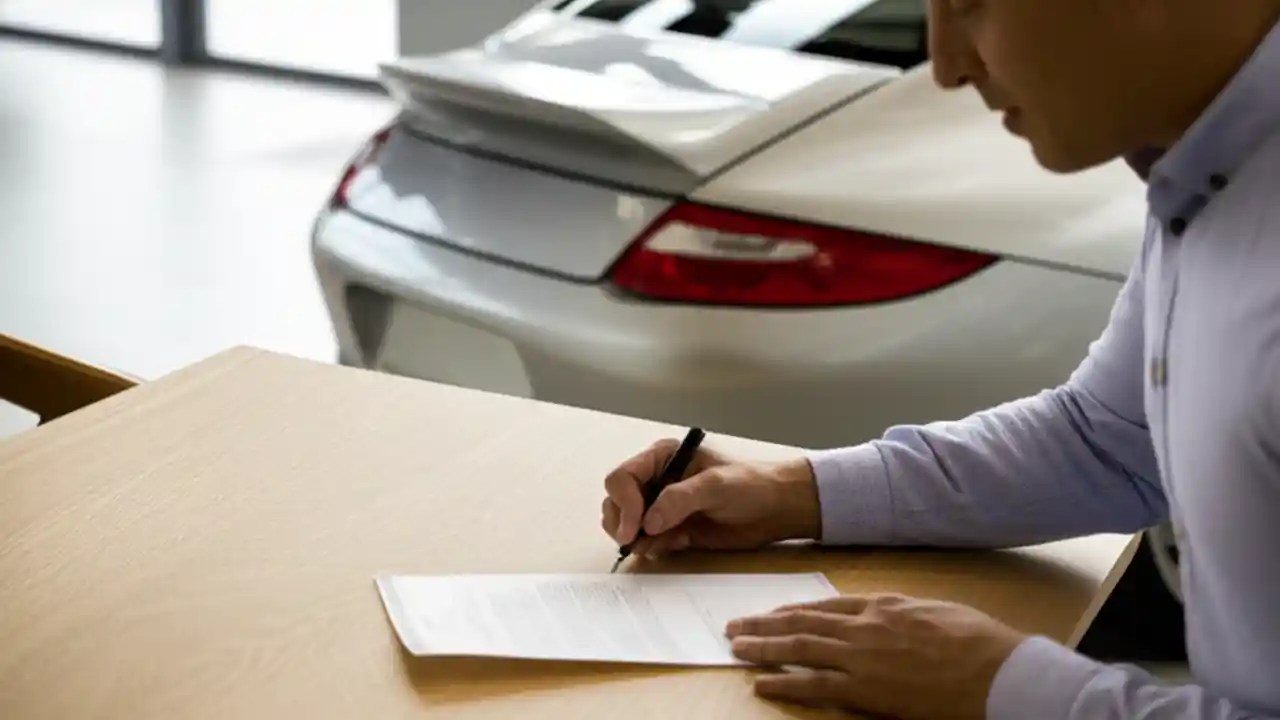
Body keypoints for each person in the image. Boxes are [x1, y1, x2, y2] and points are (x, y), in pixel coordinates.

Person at [600, 1, 1280, 718]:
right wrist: (794, 493)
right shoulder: (1212, 174)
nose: (947, 64)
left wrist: (1010, 690)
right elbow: (1107, 439)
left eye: (969, 5)